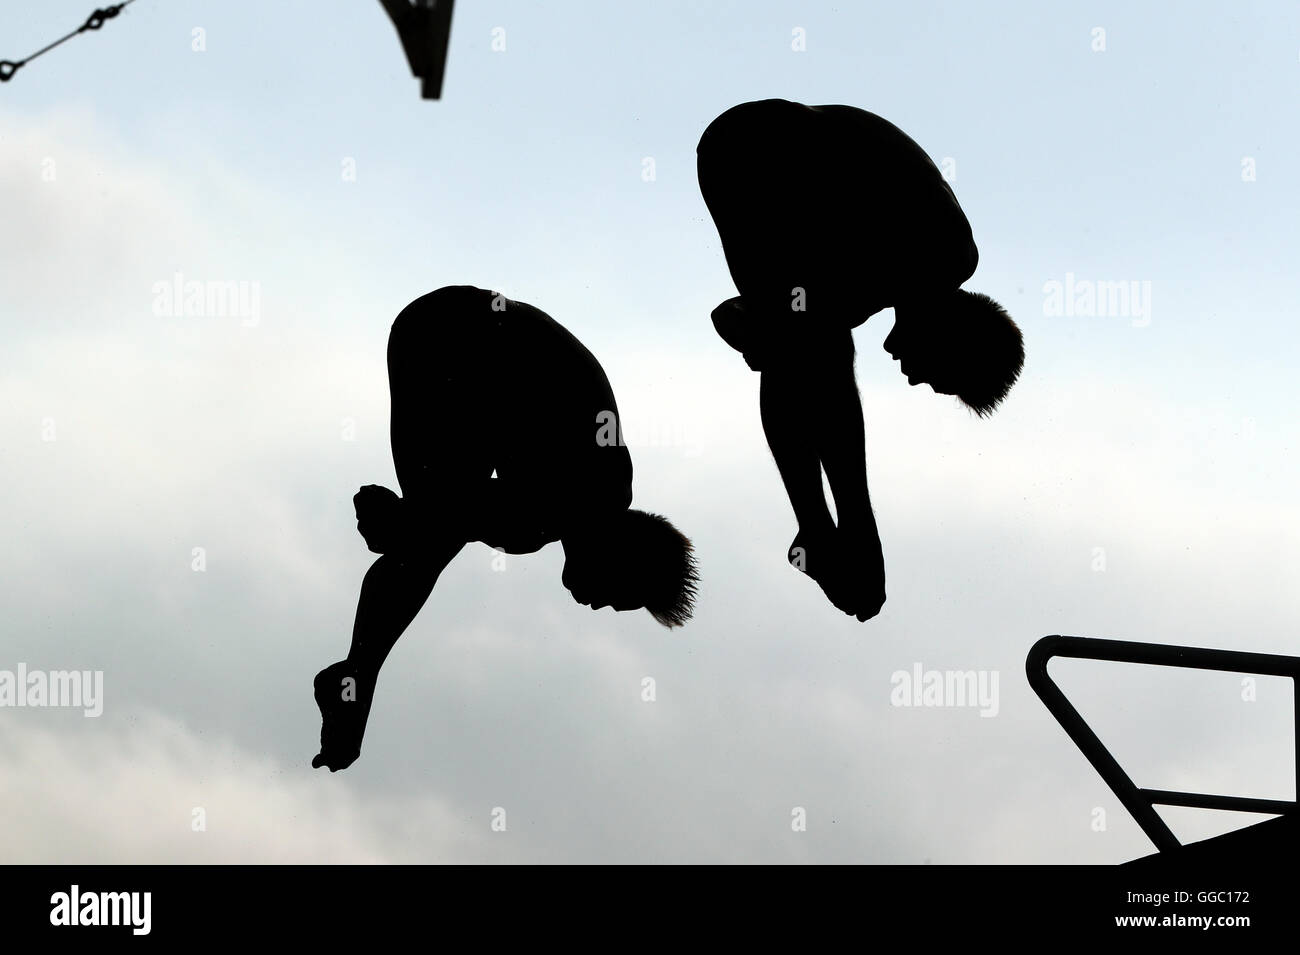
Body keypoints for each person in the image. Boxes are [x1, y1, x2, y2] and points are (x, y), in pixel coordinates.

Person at [313, 286, 698, 771]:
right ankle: (358, 678)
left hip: (451, 334)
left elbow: (458, 516)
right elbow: (458, 516)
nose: (598, 605)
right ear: (622, 557)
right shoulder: (577, 495)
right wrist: (402, 524)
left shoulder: (584, 497)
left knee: (430, 538)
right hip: (449, 336)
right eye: (616, 597)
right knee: (430, 539)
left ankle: (358, 678)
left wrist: (405, 525)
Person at [697, 99, 1024, 622]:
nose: (914, 377)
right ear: (955, 342)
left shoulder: (906, 271)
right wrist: (855, 528)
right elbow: (813, 354)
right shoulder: (940, 254)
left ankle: (828, 529)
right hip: (763, 150)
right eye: (935, 378)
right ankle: (828, 529)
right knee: (811, 340)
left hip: (752, 151)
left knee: (802, 339)